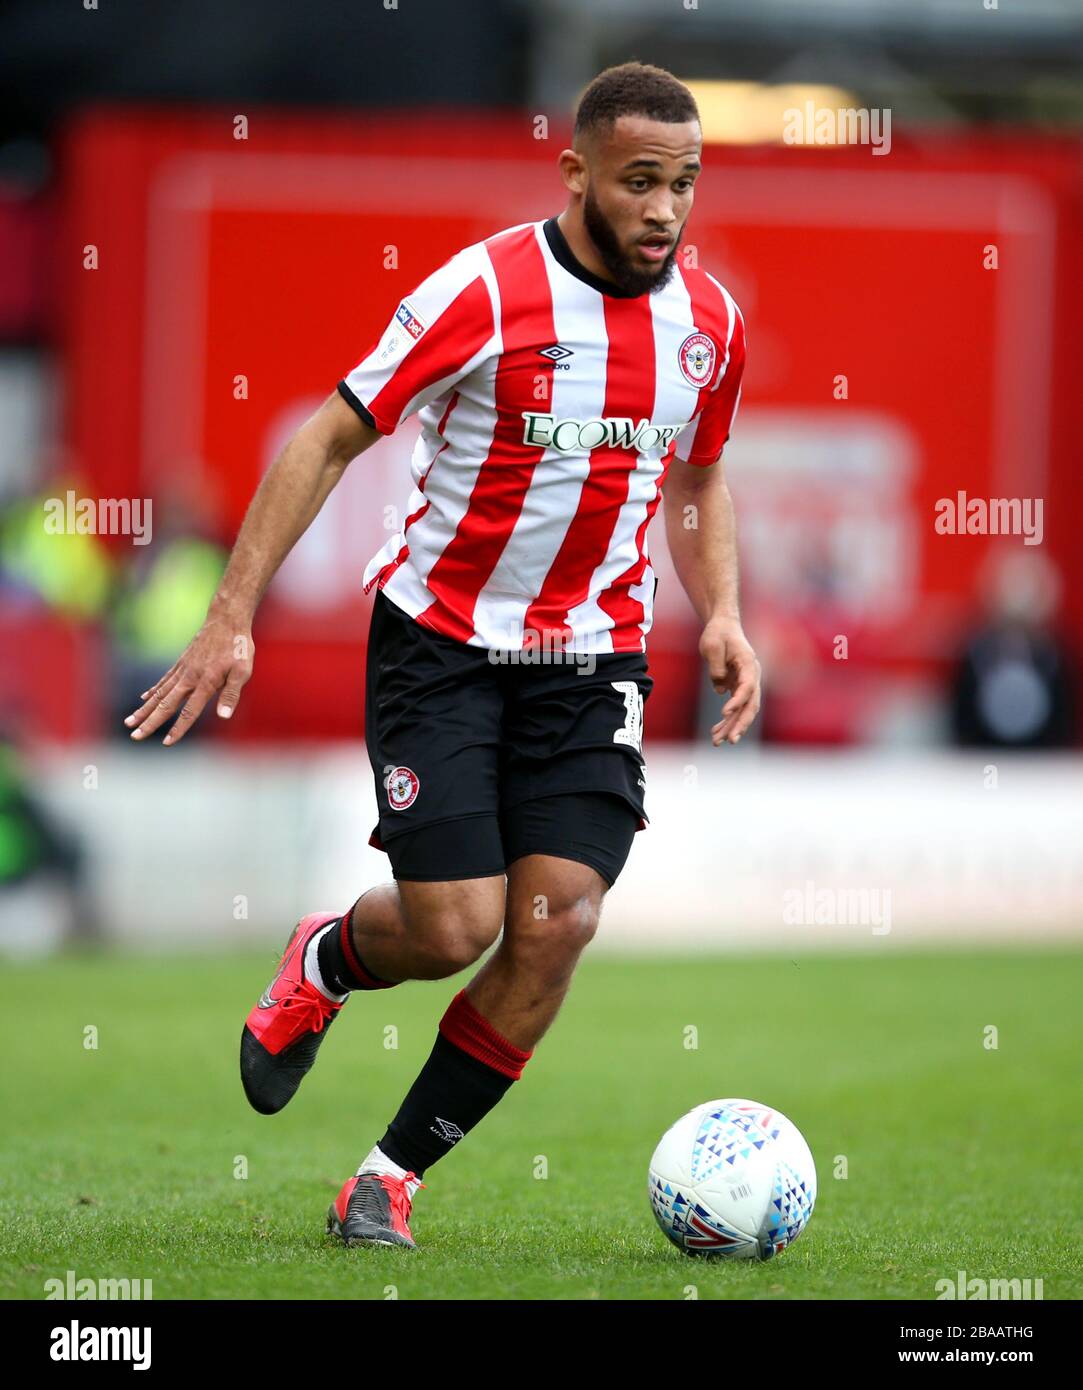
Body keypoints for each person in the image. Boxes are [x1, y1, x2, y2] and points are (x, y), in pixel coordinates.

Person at [124, 61, 762, 1250]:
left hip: (592, 661)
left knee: (557, 920)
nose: (665, 210)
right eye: (639, 182)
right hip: (445, 646)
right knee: (455, 926)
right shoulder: (482, 292)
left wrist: (719, 607)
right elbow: (324, 438)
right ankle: (324, 957)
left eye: (683, 183)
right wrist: (231, 614)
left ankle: (387, 1179)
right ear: (575, 172)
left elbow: (703, 473)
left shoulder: (710, 326)